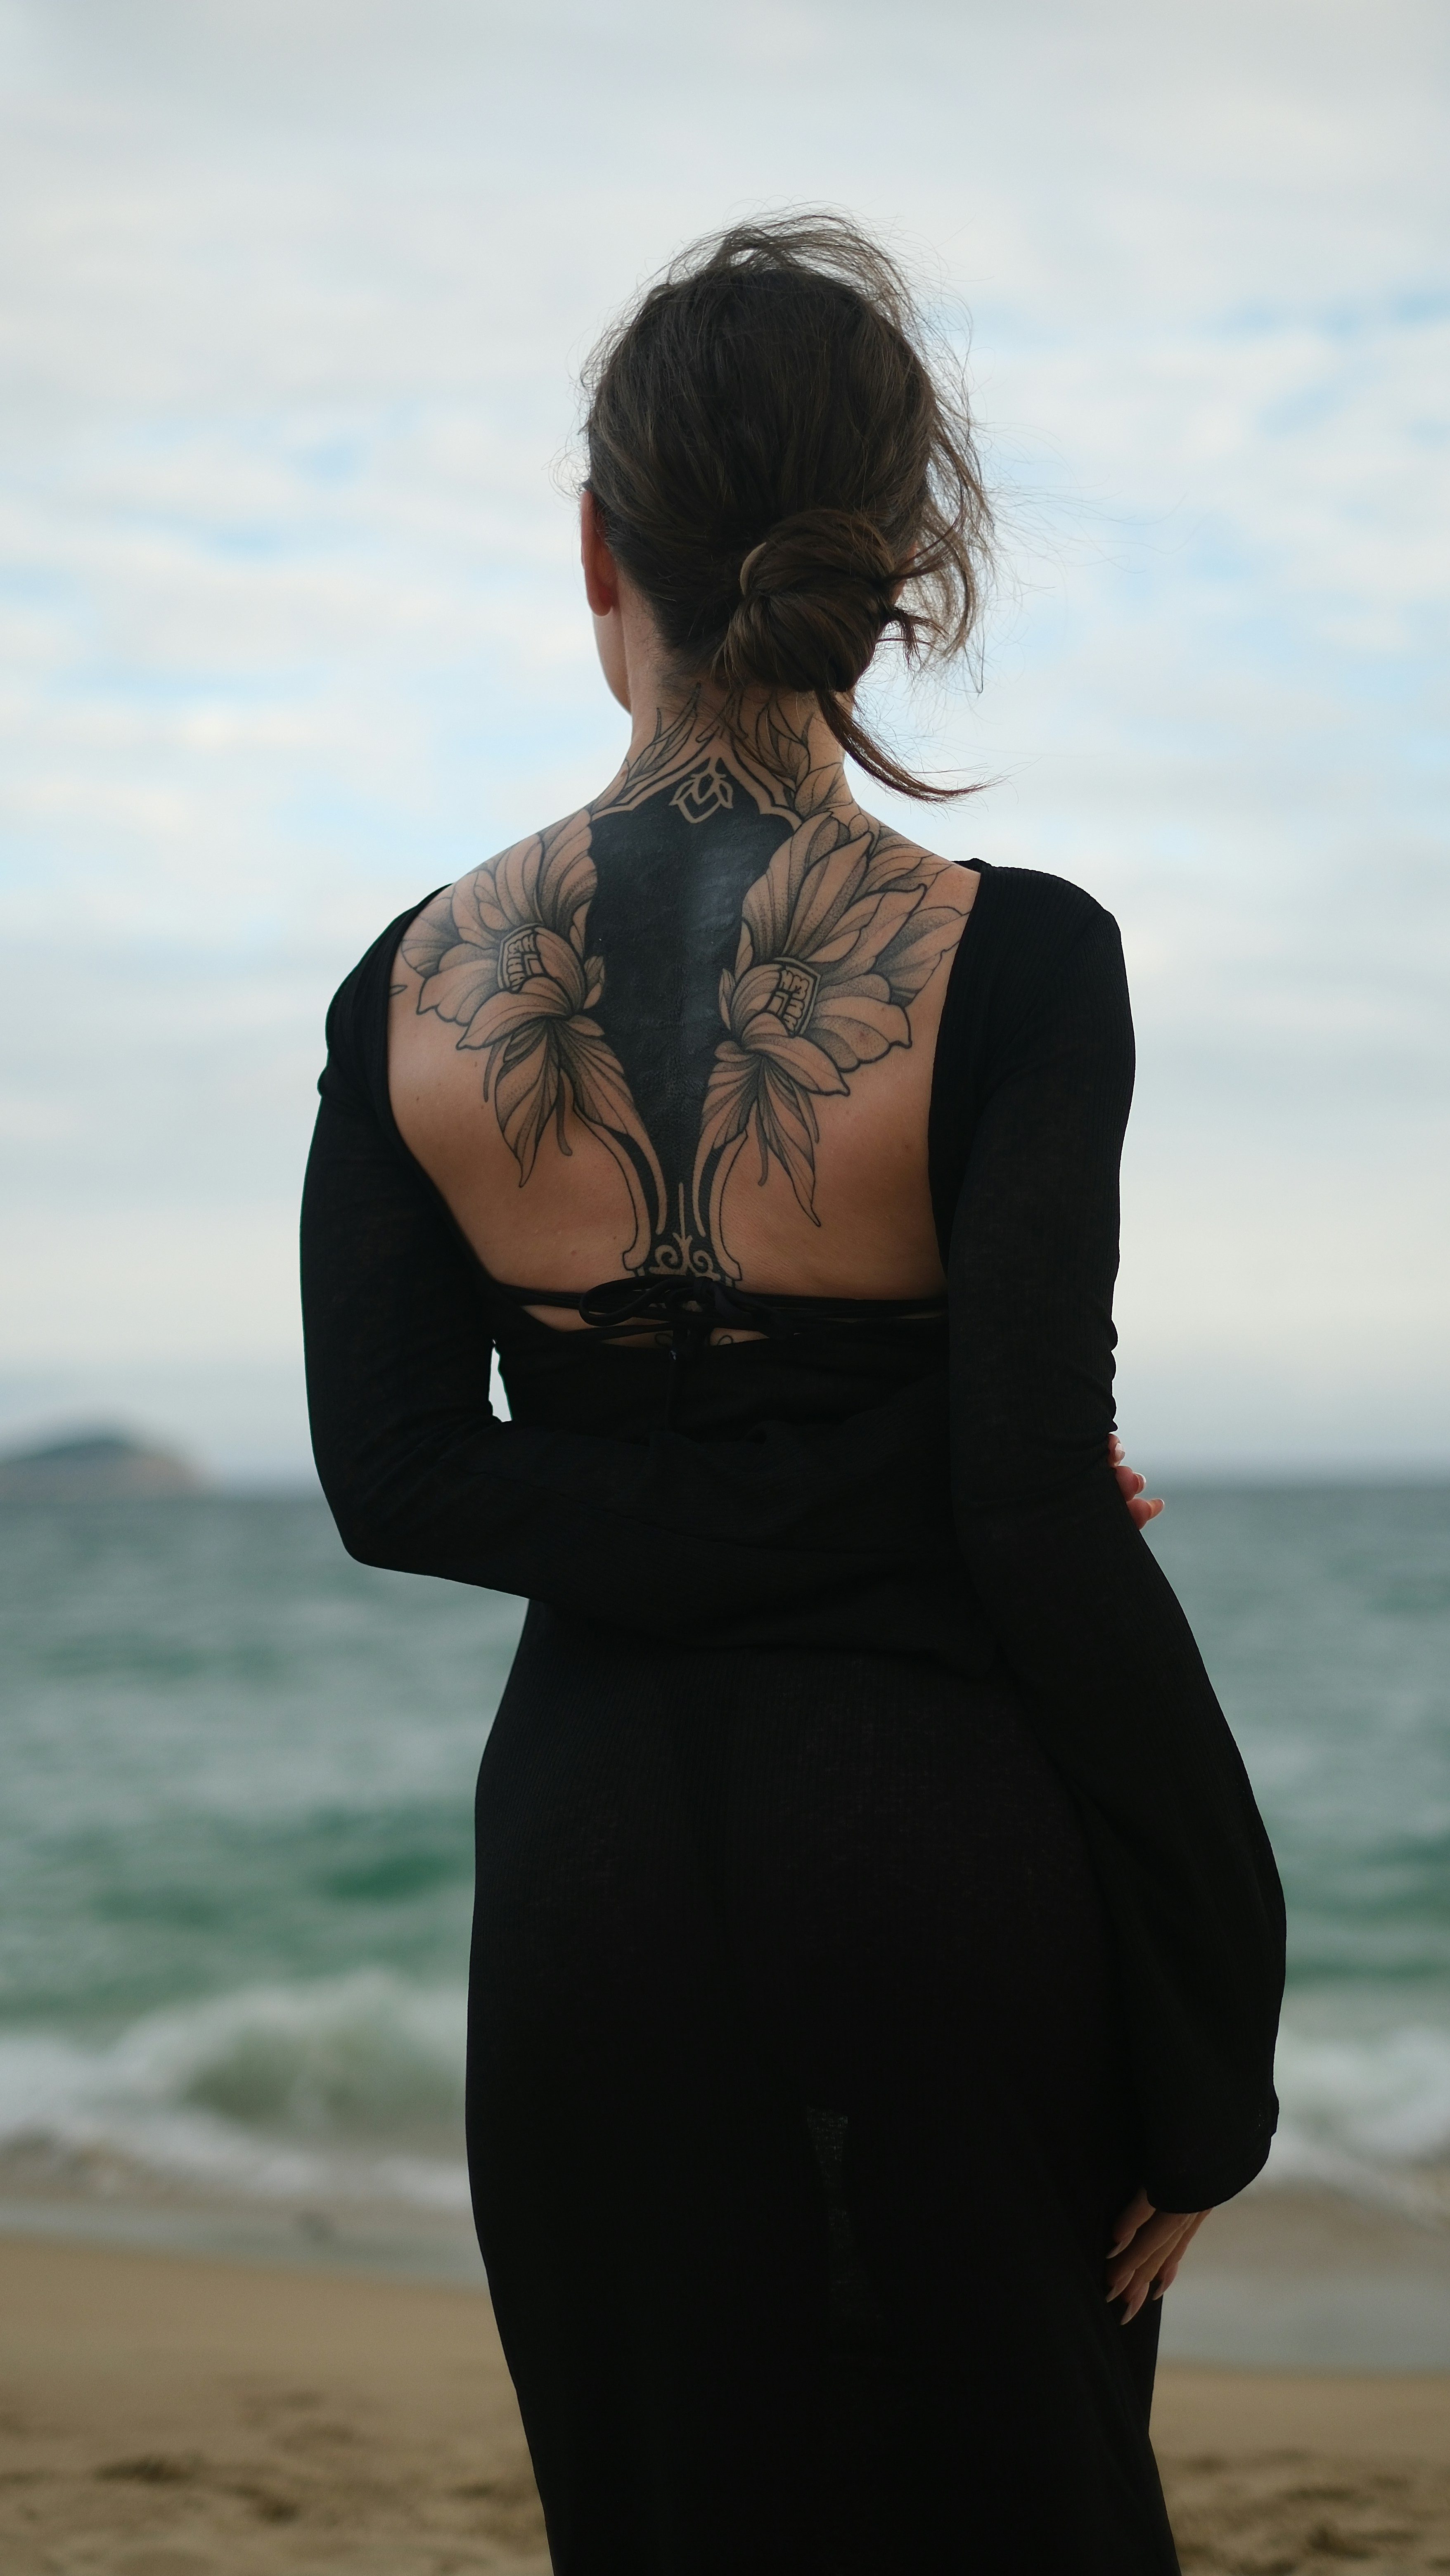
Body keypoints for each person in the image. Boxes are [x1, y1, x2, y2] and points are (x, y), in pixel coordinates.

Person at [301, 213, 1284, 2575]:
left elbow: (401, 1478)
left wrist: (843, 1505)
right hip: (939, 1860)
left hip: (586, 1892)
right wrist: (1214, 2039)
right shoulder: (1014, 964)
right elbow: (1042, 1516)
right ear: (906, 552)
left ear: (592, 548)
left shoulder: (415, 984)